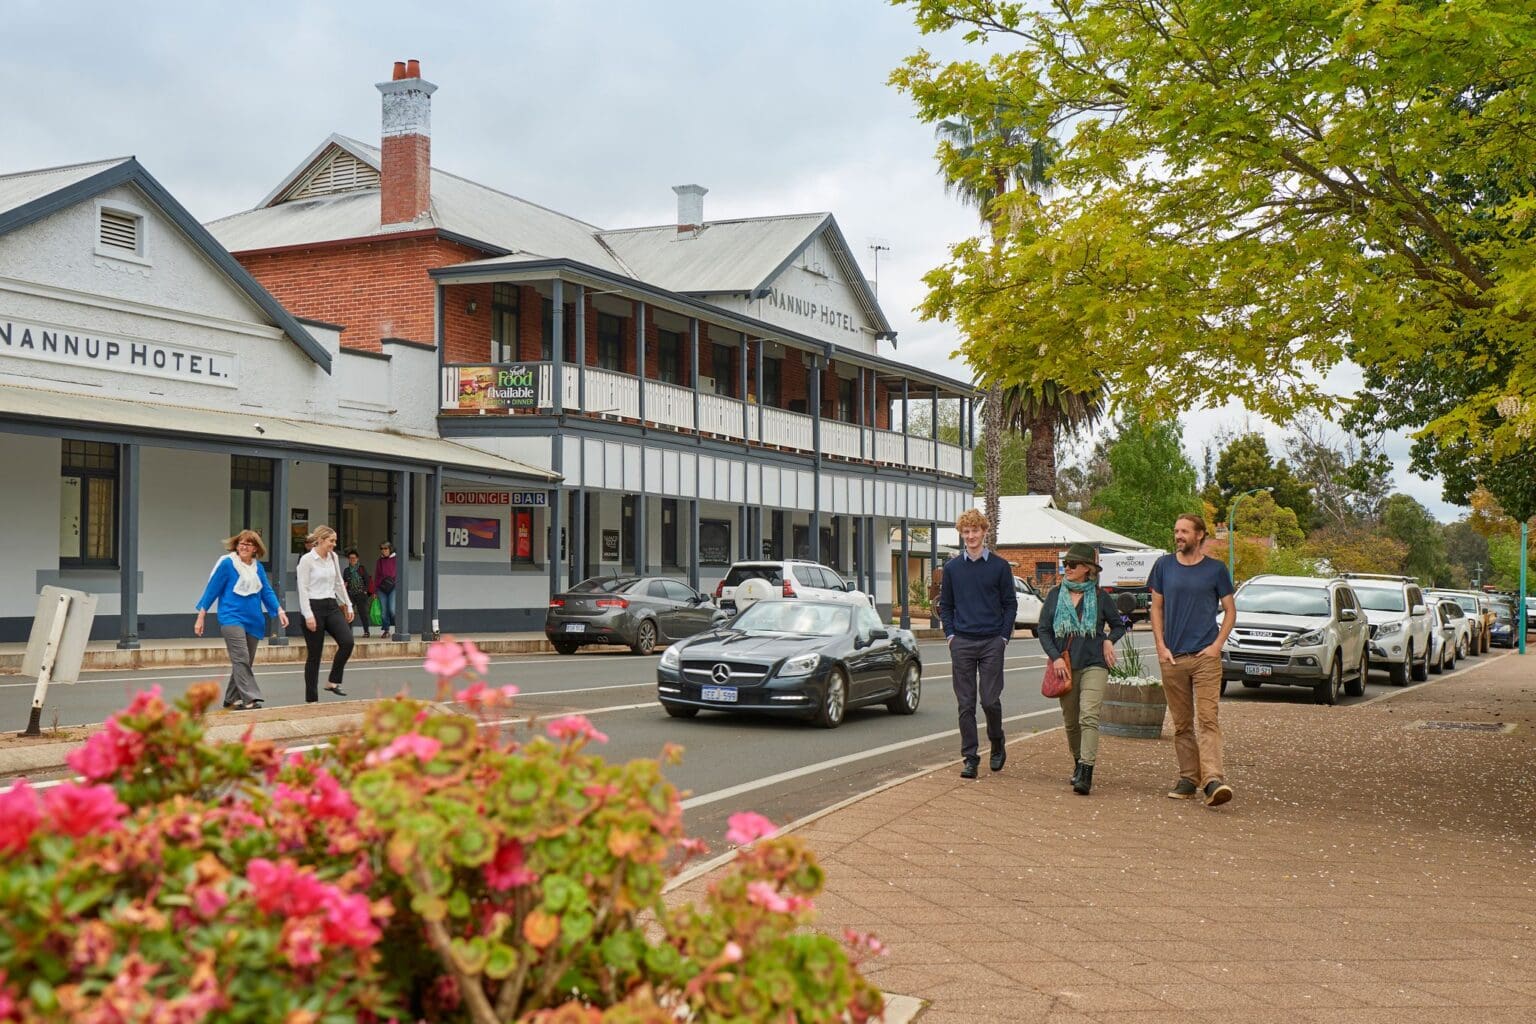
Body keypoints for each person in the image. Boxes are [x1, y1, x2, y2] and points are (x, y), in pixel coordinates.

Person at [1149, 513, 1238, 806]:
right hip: (1173, 658)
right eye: (1176, 531)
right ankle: (1188, 778)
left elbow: (1230, 610)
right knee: (1182, 723)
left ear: (1200, 535)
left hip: (1205, 658)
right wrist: (1161, 647)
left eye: (1184, 531)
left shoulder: (1216, 570)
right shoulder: (1163, 566)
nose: (1178, 536)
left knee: (1208, 719)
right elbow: (1156, 608)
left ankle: (1213, 781)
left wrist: (1216, 646)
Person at [1038, 543, 1127, 796]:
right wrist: (1055, 657)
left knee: (1089, 716)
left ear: (1087, 569)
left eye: (1072, 564)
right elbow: (1043, 629)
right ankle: (1078, 761)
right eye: (1065, 564)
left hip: (1094, 663)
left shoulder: (1100, 597)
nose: (1067, 568)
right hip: (1065, 665)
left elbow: (1120, 625)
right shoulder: (1055, 595)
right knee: (1071, 721)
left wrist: (1109, 640)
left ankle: (1087, 771)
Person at [938, 508, 1017, 779]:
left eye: (975, 531)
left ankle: (997, 741)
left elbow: (1010, 605)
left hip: (992, 641)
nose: (970, 536)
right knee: (966, 704)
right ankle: (970, 758)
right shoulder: (952, 569)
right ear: (961, 534)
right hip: (962, 642)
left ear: (984, 532)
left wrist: (1003, 637)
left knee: (990, 700)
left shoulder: (1000, 567)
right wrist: (951, 635)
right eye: (966, 532)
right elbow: (945, 605)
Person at [194, 529, 288, 711]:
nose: (244, 547)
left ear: (255, 549)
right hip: (231, 617)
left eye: (248, 544)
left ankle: (230, 699)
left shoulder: (258, 567)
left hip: (254, 620)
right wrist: (201, 616)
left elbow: (266, 591)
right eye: (241, 543)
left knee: (244, 662)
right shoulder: (227, 564)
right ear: (236, 546)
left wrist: (279, 610)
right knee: (242, 658)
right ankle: (249, 698)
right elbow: (212, 589)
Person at [298, 525, 355, 701]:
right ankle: (312, 699)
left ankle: (333, 681)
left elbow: (338, 582)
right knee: (314, 655)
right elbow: (303, 589)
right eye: (331, 541)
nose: (334, 544)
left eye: (335, 541)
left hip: (331, 605)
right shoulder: (307, 560)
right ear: (321, 540)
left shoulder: (333, 557)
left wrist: (348, 605)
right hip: (313, 606)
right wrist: (308, 614)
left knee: (347, 641)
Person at [342, 547, 372, 638]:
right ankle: (348, 633)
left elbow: (367, 581)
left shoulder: (361, 568)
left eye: (354, 558)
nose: (352, 560)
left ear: (357, 559)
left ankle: (366, 631)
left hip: (361, 594)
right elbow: (345, 582)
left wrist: (365, 591)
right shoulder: (346, 570)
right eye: (350, 558)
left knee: (363, 613)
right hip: (350, 594)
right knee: (349, 612)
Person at [372, 540, 398, 639]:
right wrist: (375, 591)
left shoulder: (396, 559)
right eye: (381, 549)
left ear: (390, 549)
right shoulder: (380, 561)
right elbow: (377, 576)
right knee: (383, 611)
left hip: (393, 587)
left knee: (392, 610)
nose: (383, 550)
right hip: (381, 588)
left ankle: (398, 628)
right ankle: (386, 630)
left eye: (385, 548)